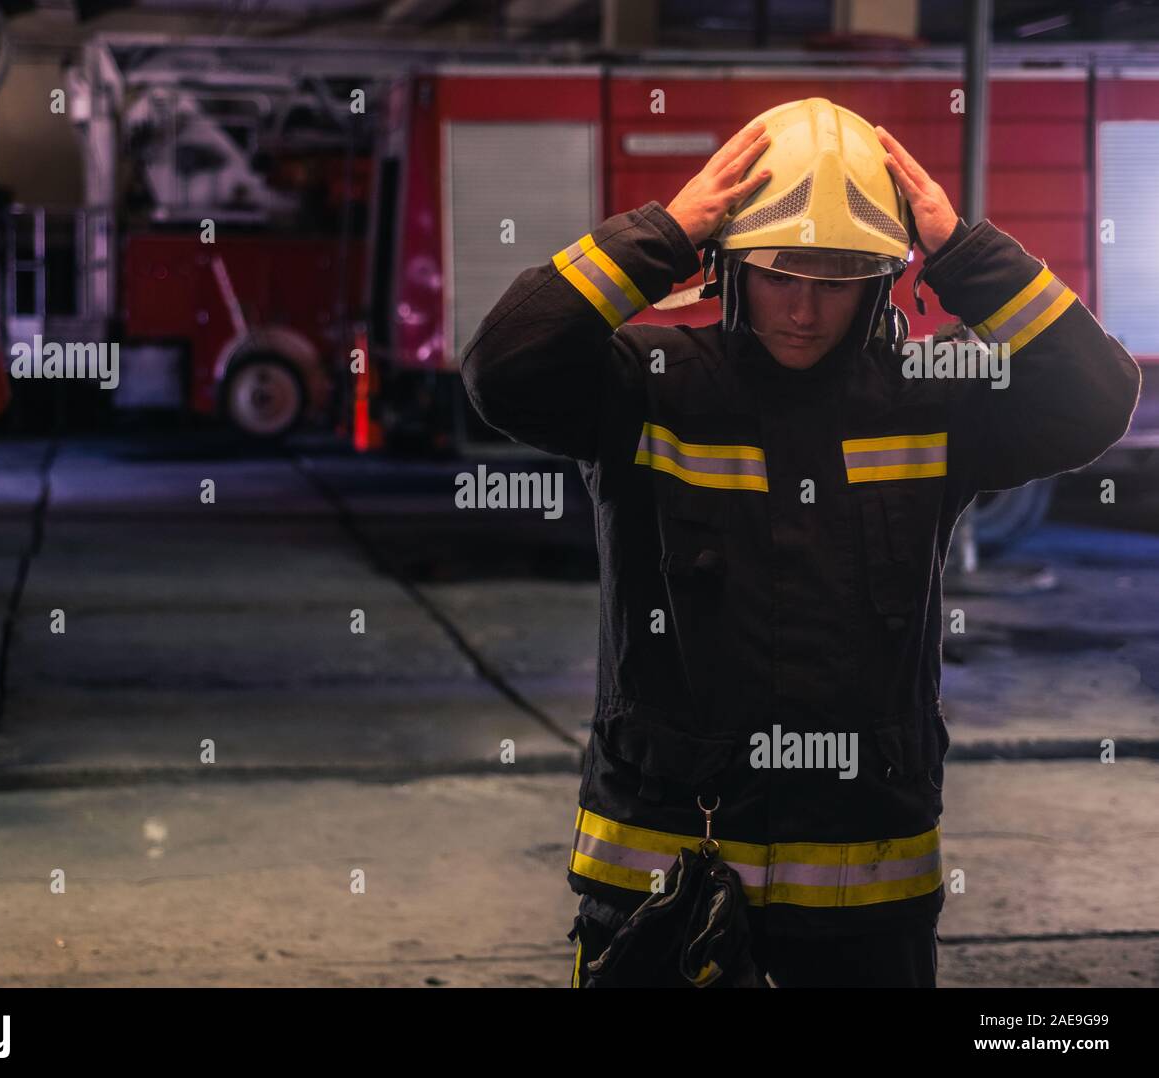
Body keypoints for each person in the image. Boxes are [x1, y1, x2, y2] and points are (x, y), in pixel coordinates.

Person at [459, 98, 1141, 987]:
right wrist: (664, 233)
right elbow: (501, 365)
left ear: (883, 280)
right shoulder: (652, 388)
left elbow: (1096, 395)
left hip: (869, 897)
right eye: (782, 275)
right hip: (665, 883)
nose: (806, 312)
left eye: (838, 279)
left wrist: (966, 255)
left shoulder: (929, 400)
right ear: (731, 267)